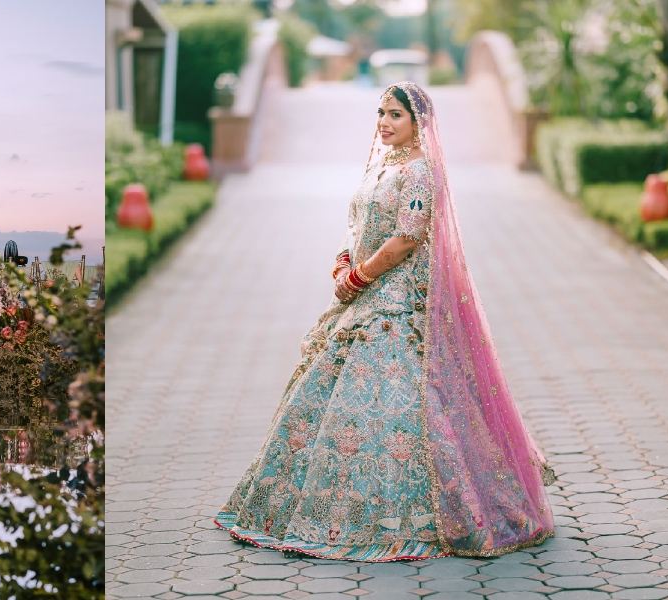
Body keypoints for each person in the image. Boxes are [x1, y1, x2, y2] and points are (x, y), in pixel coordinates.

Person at [214, 82, 555, 562]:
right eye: (381, 113)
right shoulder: (383, 165)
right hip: (365, 291)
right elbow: (359, 223)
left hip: (395, 303)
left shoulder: (420, 172)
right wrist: (342, 262)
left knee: (402, 400)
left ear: (419, 123)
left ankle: (417, 516)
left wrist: (357, 278)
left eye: (395, 114)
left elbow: (406, 239)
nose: (384, 122)